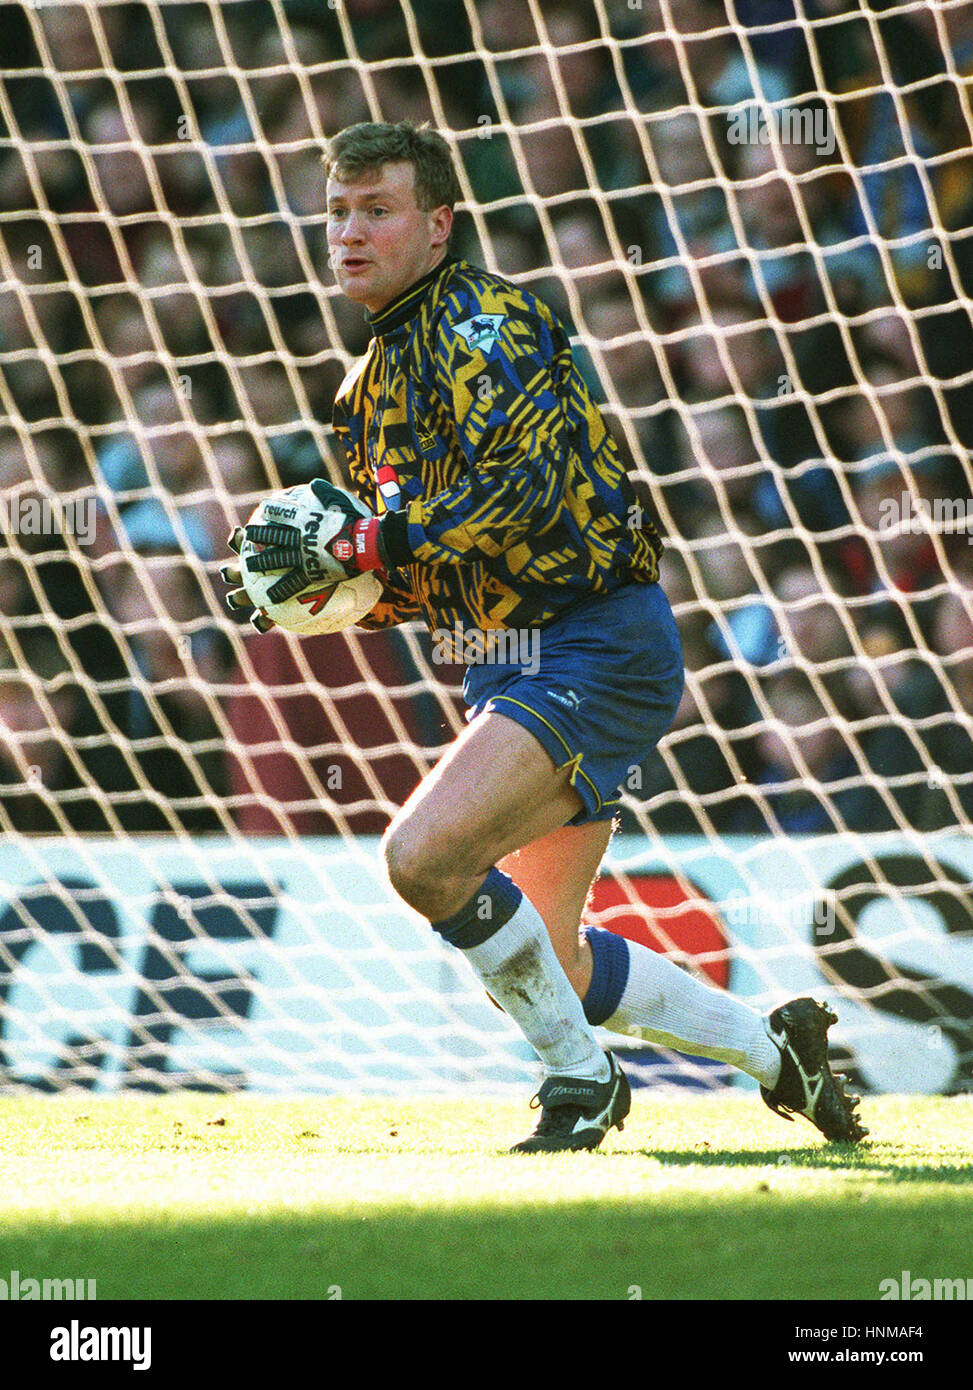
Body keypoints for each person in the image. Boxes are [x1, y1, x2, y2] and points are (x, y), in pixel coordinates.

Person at [221, 120, 866, 1151]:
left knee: (424, 856)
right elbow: (435, 567)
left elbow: (521, 492)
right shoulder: (365, 388)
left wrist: (376, 539)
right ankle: (775, 1047)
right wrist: (328, 591)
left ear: (438, 226)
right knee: (544, 961)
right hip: (507, 660)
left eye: (376, 211)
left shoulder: (487, 324)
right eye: (337, 212)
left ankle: (580, 1084)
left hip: (593, 641)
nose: (348, 233)